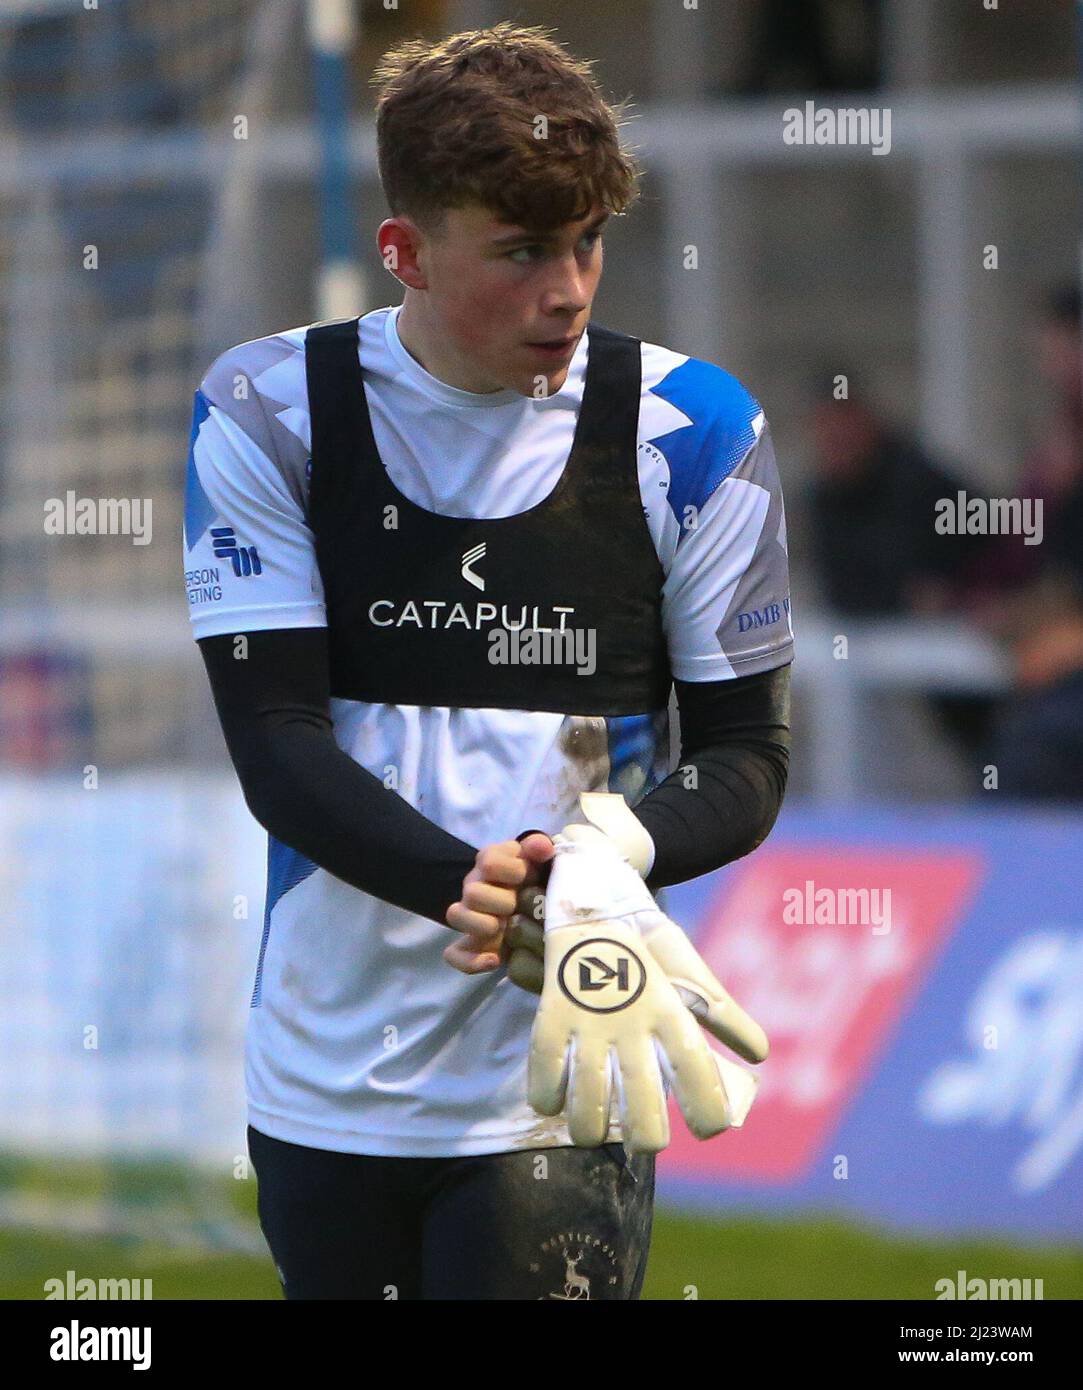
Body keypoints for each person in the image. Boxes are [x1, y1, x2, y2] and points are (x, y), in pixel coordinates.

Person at [182, 22, 792, 1301]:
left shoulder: (694, 432)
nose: (568, 289)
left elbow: (745, 758)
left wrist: (601, 862)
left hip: (563, 1076)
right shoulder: (268, 413)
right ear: (401, 251)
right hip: (322, 1080)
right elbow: (279, 746)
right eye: (521, 252)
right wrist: (474, 885)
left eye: (585, 243)